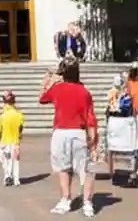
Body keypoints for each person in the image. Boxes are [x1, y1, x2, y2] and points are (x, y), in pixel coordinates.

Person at [40, 58, 99, 217]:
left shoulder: (57, 88)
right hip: (78, 133)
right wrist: (93, 140)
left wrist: (49, 81)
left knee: (63, 168)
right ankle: (87, 202)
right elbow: (90, 117)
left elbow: (42, 98)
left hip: (61, 133)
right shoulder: (84, 91)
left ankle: (65, 199)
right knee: (85, 169)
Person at [0, 90, 24, 186]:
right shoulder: (19, 115)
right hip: (15, 141)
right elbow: (20, 129)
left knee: (4, 158)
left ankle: (8, 175)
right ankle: (16, 179)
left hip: (5, 140)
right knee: (15, 160)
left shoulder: (2, 116)